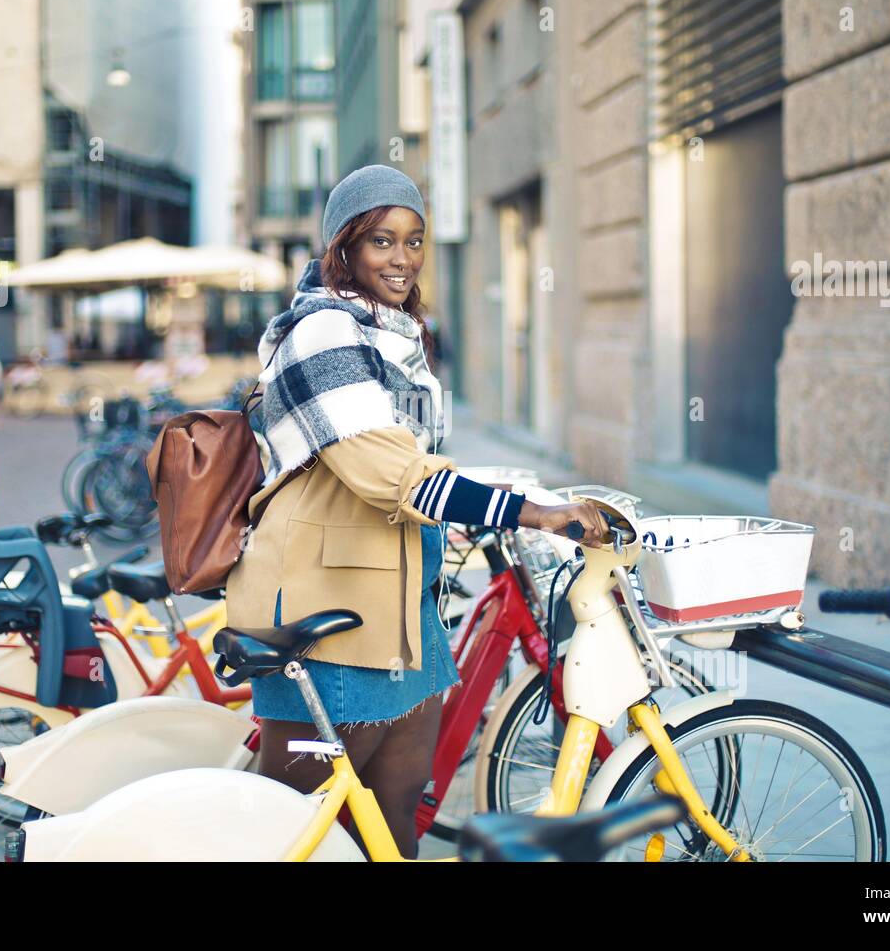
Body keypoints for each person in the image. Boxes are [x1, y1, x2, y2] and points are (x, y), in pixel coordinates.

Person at [224, 164, 607, 859]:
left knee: (396, 807)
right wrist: (534, 511)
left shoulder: (393, 335)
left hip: (403, 613)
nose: (401, 258)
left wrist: (474, 511)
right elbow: (390, 473)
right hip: (329, 616)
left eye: (413, 240)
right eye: (380, 241)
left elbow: (413, 459)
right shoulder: (321, 334)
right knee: (284, 825)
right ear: (344, 247)